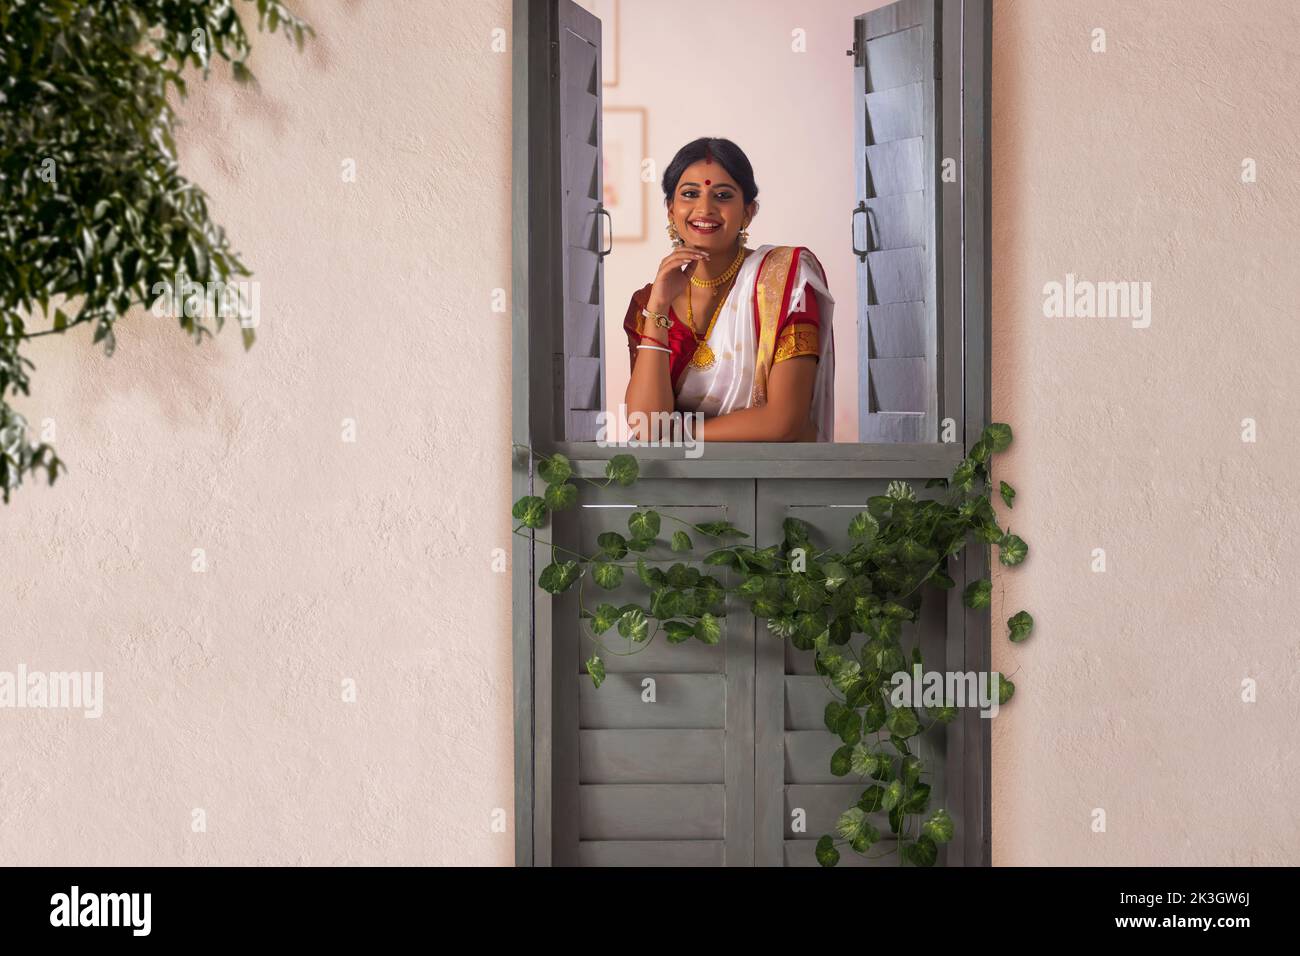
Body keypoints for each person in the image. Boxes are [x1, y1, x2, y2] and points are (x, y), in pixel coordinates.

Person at [622, 136, 834, 442]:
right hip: (674, 482)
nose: (704, 208)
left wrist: (678, 434)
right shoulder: (648, 301)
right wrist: (658, 307)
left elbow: (784, 421)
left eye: (722, 195)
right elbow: (645, 423)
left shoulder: (784, 282)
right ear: (671, 210)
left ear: (748, 211)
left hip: (768, 479)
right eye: (690, 194)